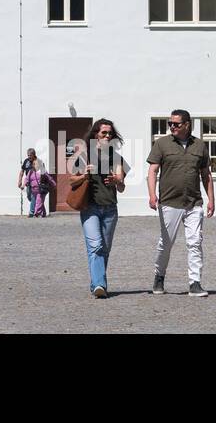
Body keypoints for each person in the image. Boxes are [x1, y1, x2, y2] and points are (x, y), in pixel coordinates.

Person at [147, 109, 214, 297]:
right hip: (169, 201)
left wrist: (211, 200)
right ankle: (159, 276)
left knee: (195, 242)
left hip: (194, 202)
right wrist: (152, 194)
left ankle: (195, 283)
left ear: (187, 124)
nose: (172, 127)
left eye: (176, 124)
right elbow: (152, 171)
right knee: (166, 243)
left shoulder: (199, 145)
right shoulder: (162, 144)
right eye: (170, 124)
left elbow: (206, 175)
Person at [75, 119, 128, 298]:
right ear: (96, 133)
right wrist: (84, 175)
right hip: (90, 207)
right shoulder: (84, 155)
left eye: (110, 133)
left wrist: (117, 181)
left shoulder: (116, 157)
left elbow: (121, 187)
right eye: (104, 132)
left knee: (104, 249)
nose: (107, 136)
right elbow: (71, 181)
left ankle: (96, 283)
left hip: (110, 209)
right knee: (95, 246)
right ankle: (100, 285)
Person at [18, 149, 52, 218]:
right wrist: (20, 180)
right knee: (30, 197)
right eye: (28, 155)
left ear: (34, 154)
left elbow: (43, 172)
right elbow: (22, 171)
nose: (29, 157)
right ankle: (42, 212)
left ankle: (32, 212)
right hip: (28, 182)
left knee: (34, 197)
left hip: (37, 184)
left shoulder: (39, 161)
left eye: (30, 155)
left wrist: (42, 182)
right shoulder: (26, 161)